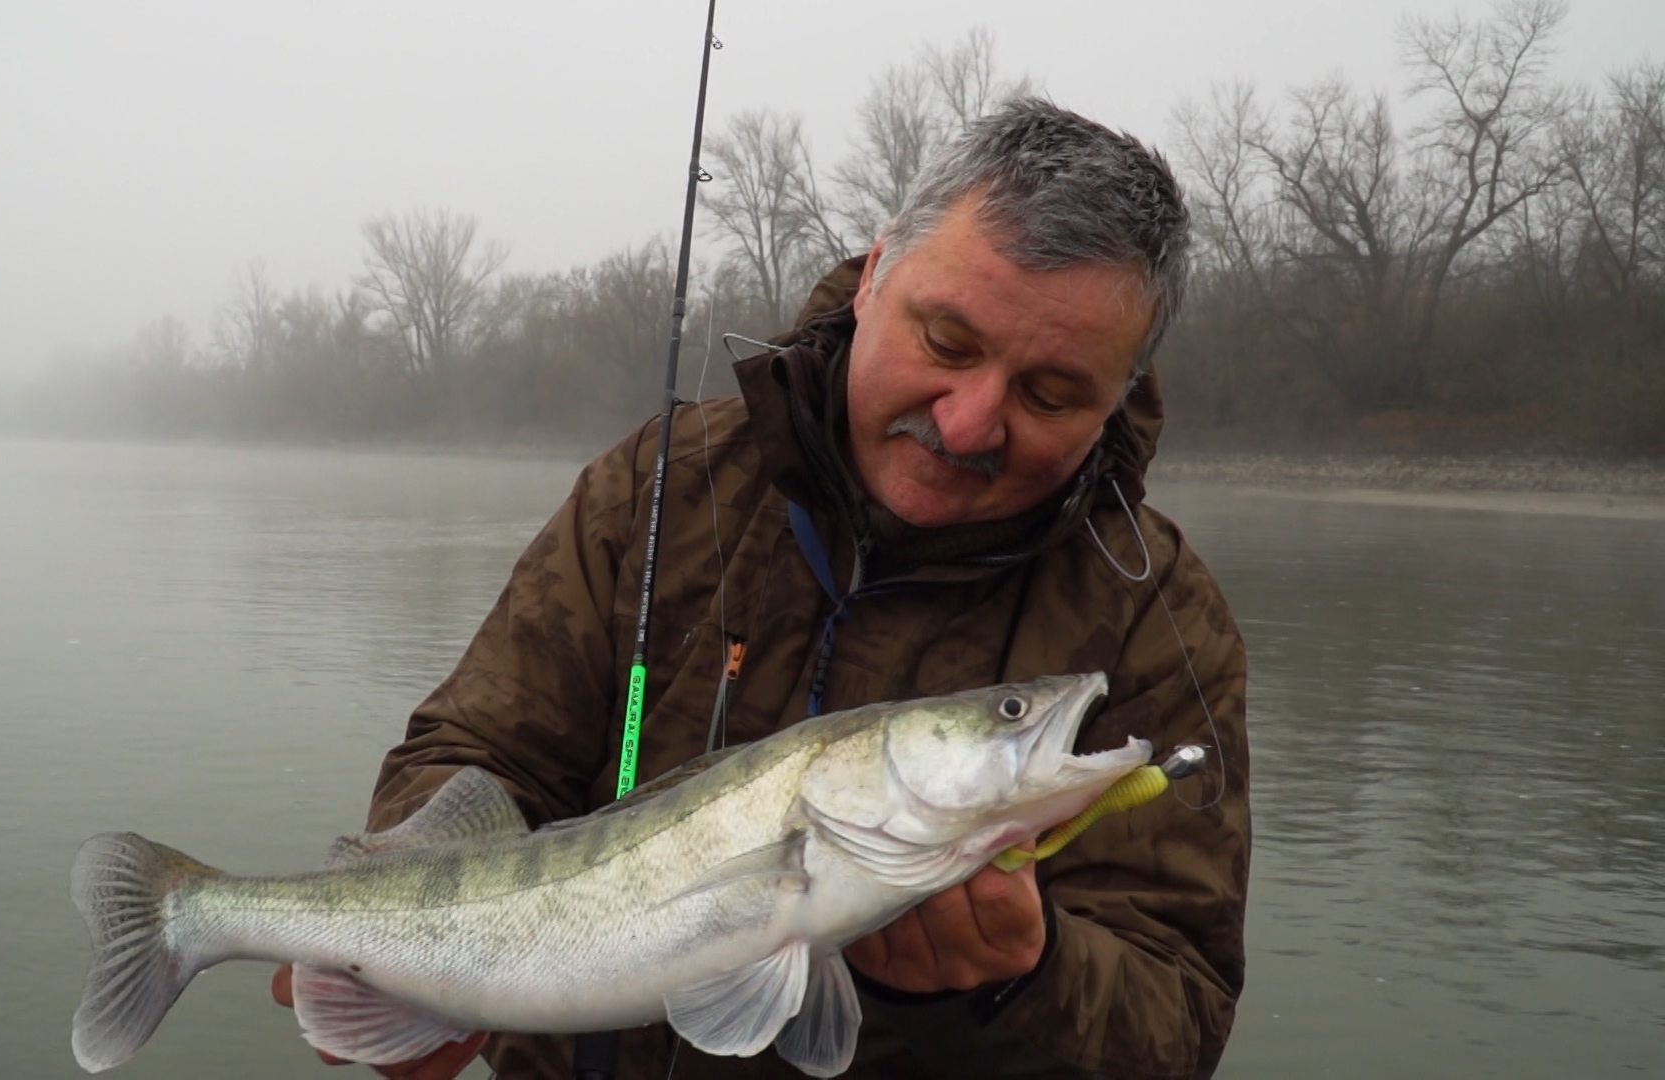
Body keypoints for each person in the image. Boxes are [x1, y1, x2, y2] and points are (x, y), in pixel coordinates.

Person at [273, 97, 1251, 1080]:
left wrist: (1021, 982)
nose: (967, 424)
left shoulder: (1159, 620)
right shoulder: (658, 486)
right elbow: (477, 750)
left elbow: (1179, 1017)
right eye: (947, 343)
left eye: (1050, 394)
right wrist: (432, 946)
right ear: (877, 278)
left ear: (1117, 394)